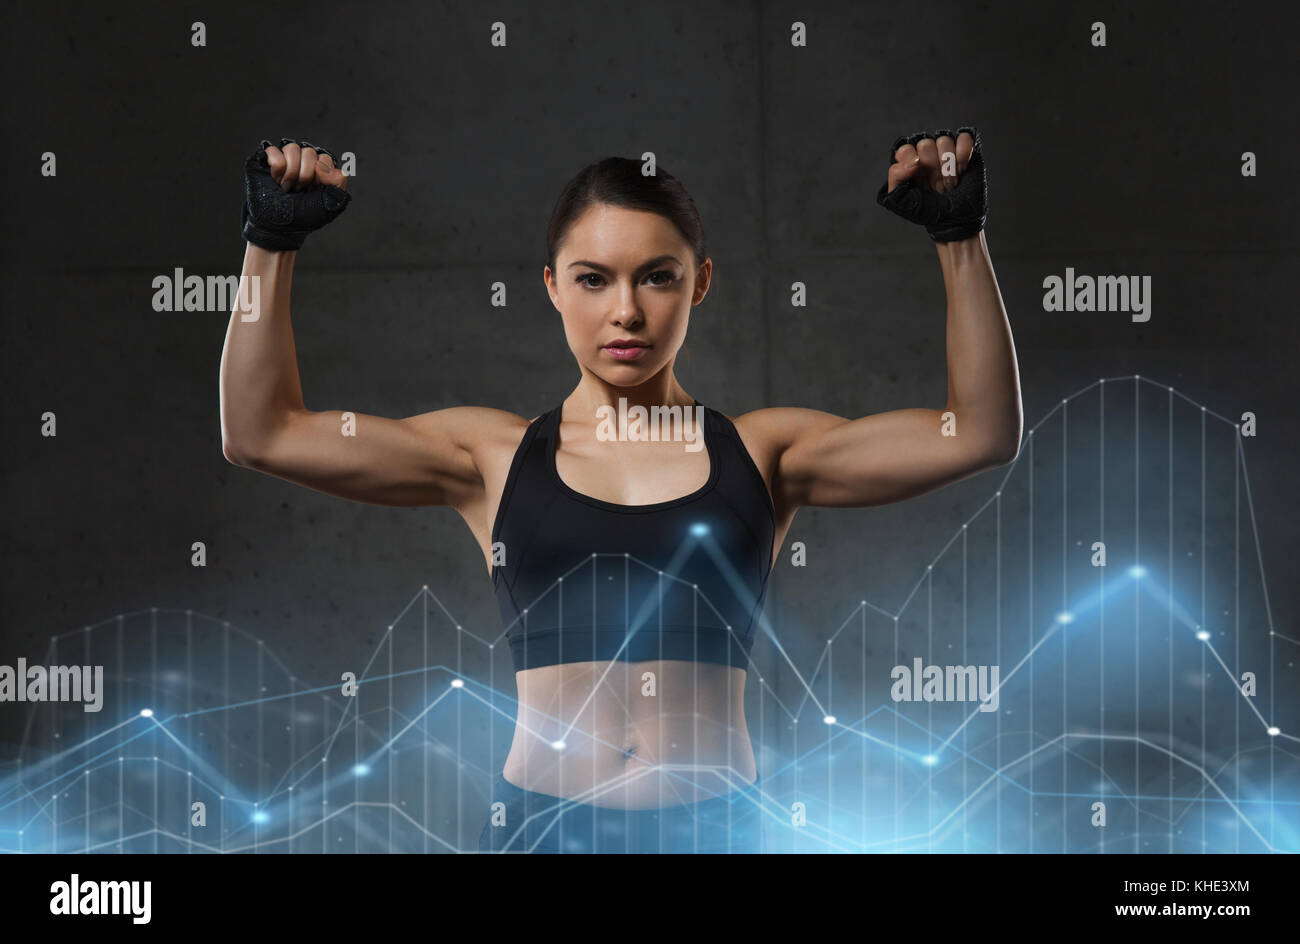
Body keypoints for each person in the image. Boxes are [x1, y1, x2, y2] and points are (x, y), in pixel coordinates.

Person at [219, 128, 1022, 853]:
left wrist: (958, 236)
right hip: (543, 829)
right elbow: (263, 433)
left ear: (700, 283)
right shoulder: (493, 455)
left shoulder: (762, 451)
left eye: (658, 278)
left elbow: (980, 431)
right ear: (552, 287)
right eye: (594, 279)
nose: (627, 311)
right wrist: (270, 243)